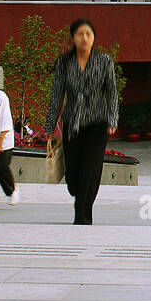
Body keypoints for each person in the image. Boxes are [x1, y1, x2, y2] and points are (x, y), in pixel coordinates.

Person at [45, 18, 119, 225]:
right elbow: (57, 95)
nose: (84, 38)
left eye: (88, 34)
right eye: (80, 34)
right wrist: (50, 126)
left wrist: (113, 118)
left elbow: (112, 93)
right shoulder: (64, 63)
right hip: (72, 123)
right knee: (73, 176)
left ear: (94, 37)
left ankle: (83, 215)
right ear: (73, 38)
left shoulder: (104, 61)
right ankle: (78, 196)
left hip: (98, 122)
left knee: (90, 169)